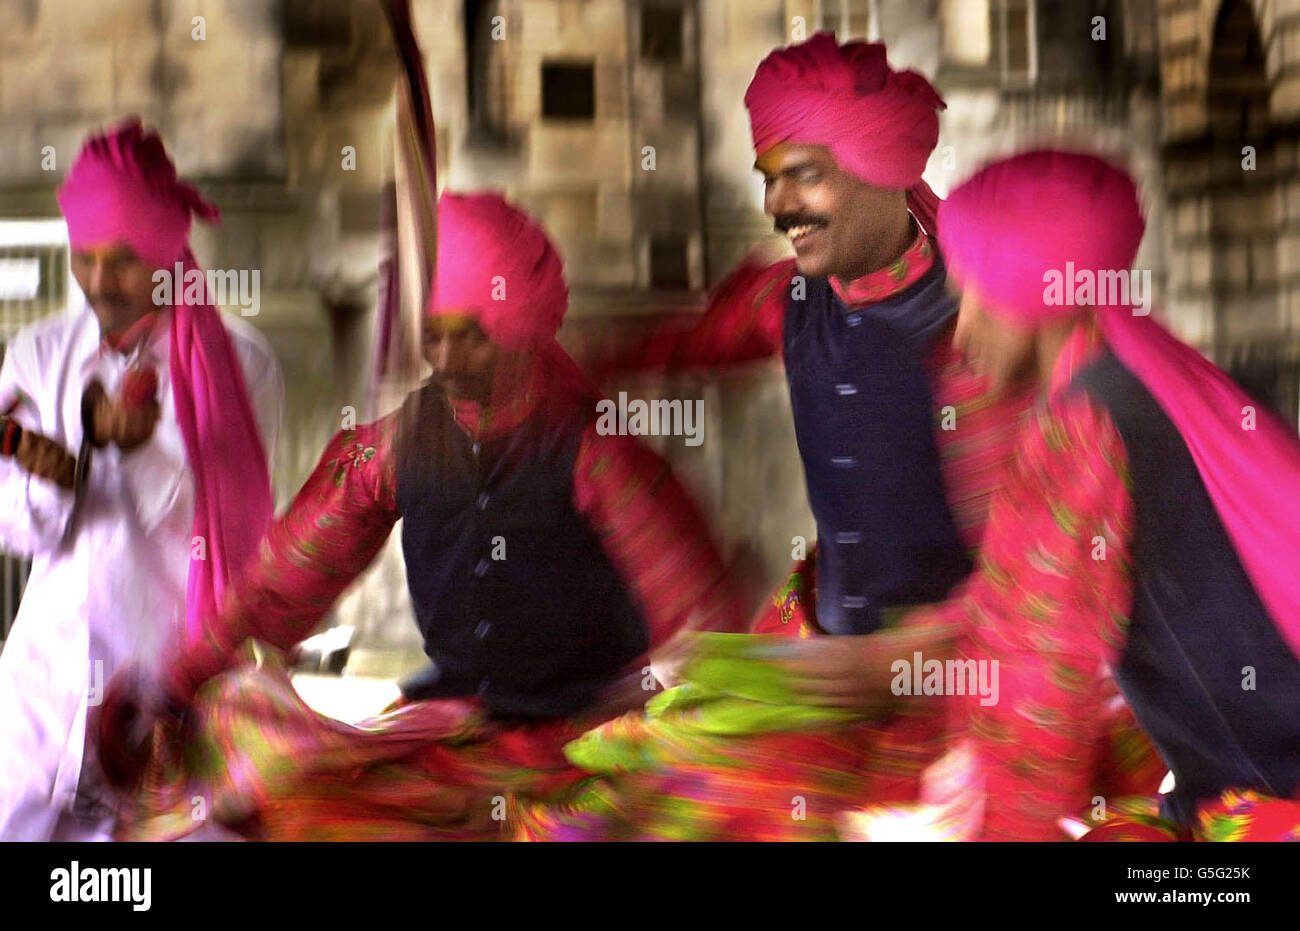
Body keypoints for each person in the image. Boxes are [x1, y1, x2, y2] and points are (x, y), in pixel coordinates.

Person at [102, 191, 748, 841]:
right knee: (281, 773)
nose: (446, 359)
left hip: (591, 739)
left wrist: (649, 709)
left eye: (471, 337)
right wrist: (176, 690)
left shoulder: (595, 452)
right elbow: (280, 585)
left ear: (518, 330)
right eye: (434, 335)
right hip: (456, 735)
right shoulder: (391, 448)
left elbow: (700, 620)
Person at [843, 149, 1300, 841]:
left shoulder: (1084, 422)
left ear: (1034, 292)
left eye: (974, 294)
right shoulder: (1145, 376)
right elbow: (1022, 592)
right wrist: (896, 656)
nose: (961, 334)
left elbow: (1037, 689)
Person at [0, 118, 282, 841]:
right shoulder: (38, 354)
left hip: (166, 696)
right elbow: (17, 529)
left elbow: (213, 520)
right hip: (39, 698)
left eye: (122, 259)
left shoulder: (244, 366)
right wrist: (52, 475)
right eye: (85, 257)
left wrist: (129, 447)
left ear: (164, 253)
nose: (98, 281)